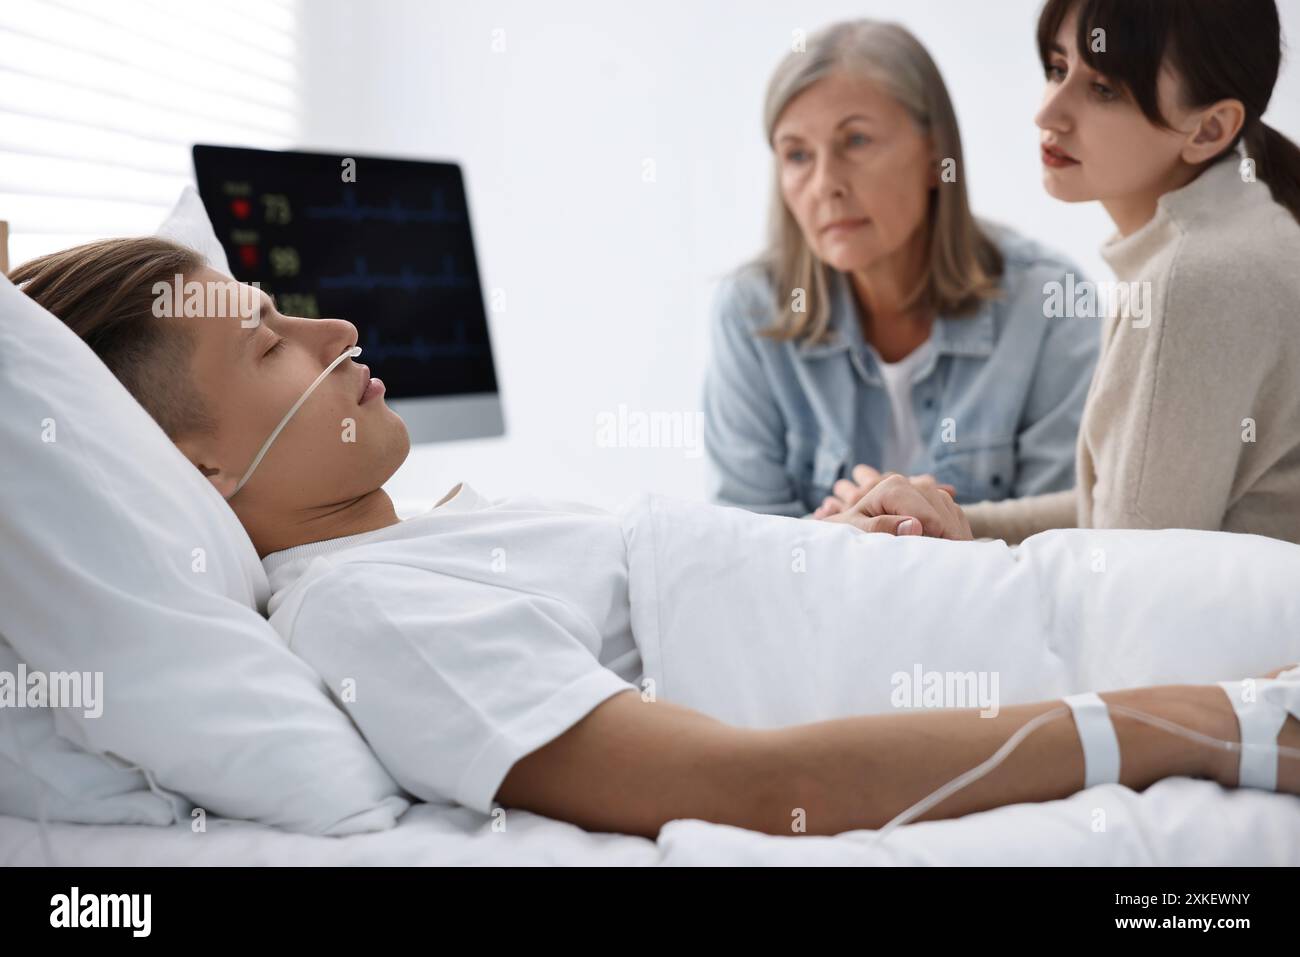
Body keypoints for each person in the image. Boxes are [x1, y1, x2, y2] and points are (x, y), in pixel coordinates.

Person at [11, 235, 1299, 840]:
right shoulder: (367, 619)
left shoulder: (427, 541)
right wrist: (1199, 724)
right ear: (195, 464)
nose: (335, 332)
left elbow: (695, 620)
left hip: (1097, 605)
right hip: (1171, 668)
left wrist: (821, 551)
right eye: (266, 344)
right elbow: (755, 791)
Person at [821, 0, 1300, 546]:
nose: (1048, 113)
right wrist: (943, 519)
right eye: (1056, 68)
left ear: (1211, 127)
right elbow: (1116, 509)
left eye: (1104, 89)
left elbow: (1122, 575)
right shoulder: (1233, 235)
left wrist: (952, 543)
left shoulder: (1195, 278)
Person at [703, 19, 1098, 519]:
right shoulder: (749, 312)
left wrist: (903, 539)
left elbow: (1064, 543)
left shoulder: (1051, 303)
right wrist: (843, 542)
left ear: (936, 153)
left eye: (857, 141)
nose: (826, 184)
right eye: (798, 155)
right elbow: (741, 548)